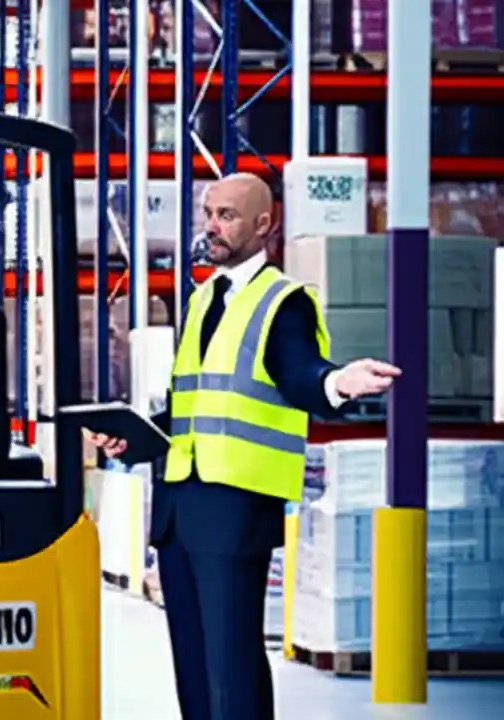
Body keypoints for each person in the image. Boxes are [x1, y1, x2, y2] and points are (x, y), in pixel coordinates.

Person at [90, 173, 401, 720]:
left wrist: (338, 383)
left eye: (227, 215)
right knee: (193, 668)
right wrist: (132, 438)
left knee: (231, 670)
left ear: (264, 225)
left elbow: (301, 374)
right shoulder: (202, 299)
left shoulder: (284, 303)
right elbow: (191, 406)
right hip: (179, 510)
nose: (212, 225)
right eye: (209, 213)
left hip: (234, 508)